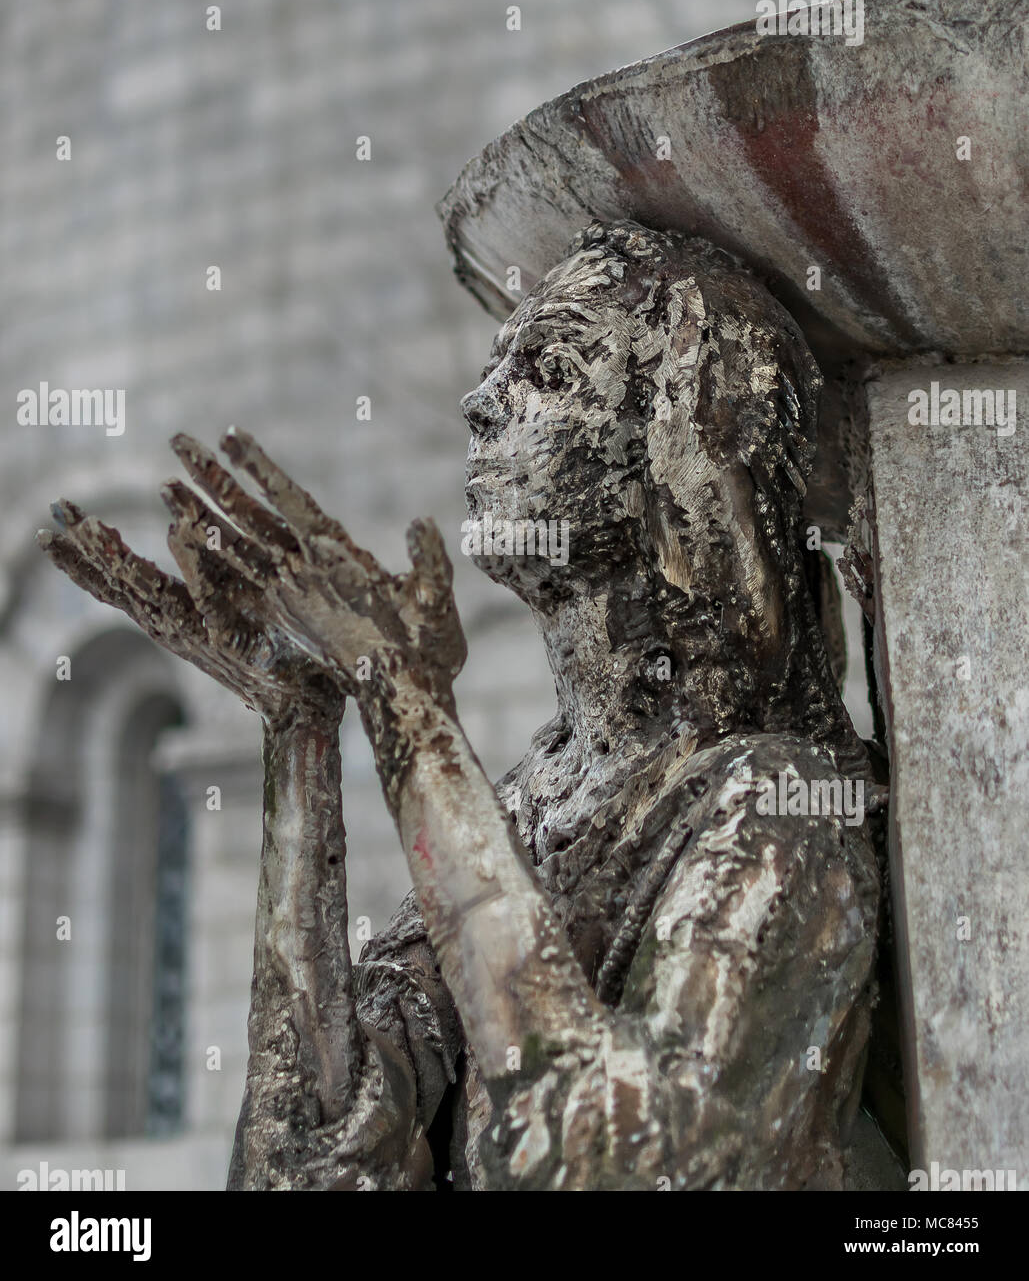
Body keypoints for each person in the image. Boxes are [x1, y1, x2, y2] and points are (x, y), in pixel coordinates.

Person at [40, 220, 884, 1190]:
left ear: (680, 449)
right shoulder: (528, 812)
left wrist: (407, 703)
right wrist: (303, 724)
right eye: (497, 369)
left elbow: (625, 1161)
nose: (480, 403)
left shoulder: (778, 809)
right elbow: (306, 1163)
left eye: (552, 372)